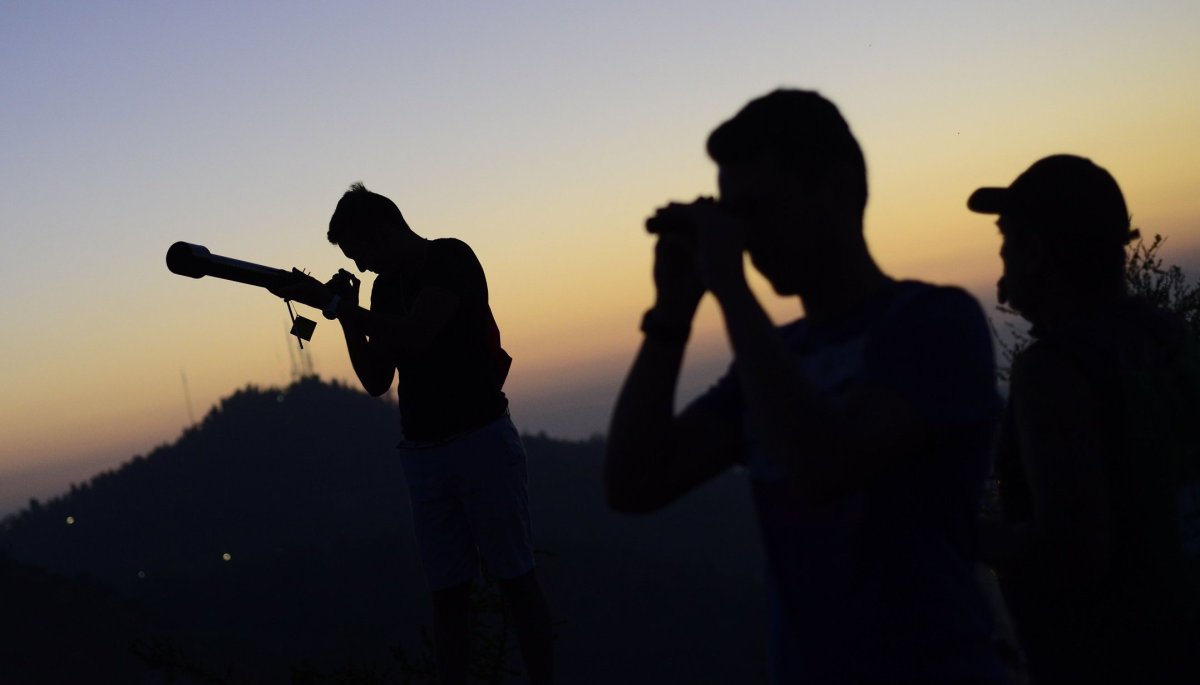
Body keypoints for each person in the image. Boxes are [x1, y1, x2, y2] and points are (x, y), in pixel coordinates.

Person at [605, 89, 1007, 684]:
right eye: (734, 217)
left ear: (839, 190)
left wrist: (731, 289)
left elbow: (823, 466)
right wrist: (671, 314)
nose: (746, 239)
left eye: (760, 209)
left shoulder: (934, 323)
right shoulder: (775, 359)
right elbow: (635, 484)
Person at [271, 183, 553, 685]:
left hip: (480, 440)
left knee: (515, 578)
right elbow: (378, 379)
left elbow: (417, 335)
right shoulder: (382, 291)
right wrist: (345, 317)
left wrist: (338, 307)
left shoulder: (450, 260)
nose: (360, 267)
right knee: (447, 595)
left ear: (384, 231)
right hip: (423, 453)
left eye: (360, 253)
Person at [971, 155, 1200, 683]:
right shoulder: (1170, 339)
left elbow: (1072, 551)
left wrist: (953, 529)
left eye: (1008, 238)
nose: (1001, 256)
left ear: (1035, 254)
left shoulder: (1054, 371)